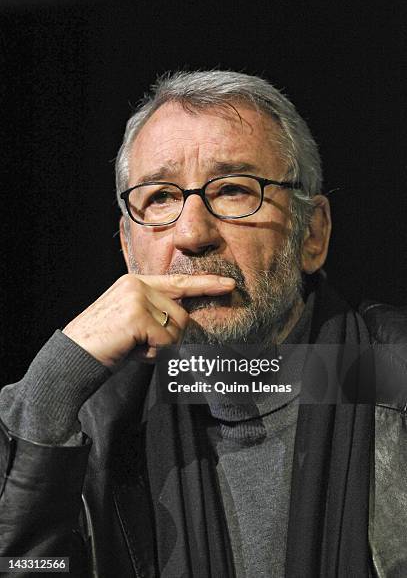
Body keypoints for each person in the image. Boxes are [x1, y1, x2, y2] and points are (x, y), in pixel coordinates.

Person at [0, 70, 406, 578]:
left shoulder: (393, 375)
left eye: (235, 189)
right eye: (160, 198)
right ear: (129, 249)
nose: (193, 234)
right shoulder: (96, 422)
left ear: (312, 236)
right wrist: (51, 386)